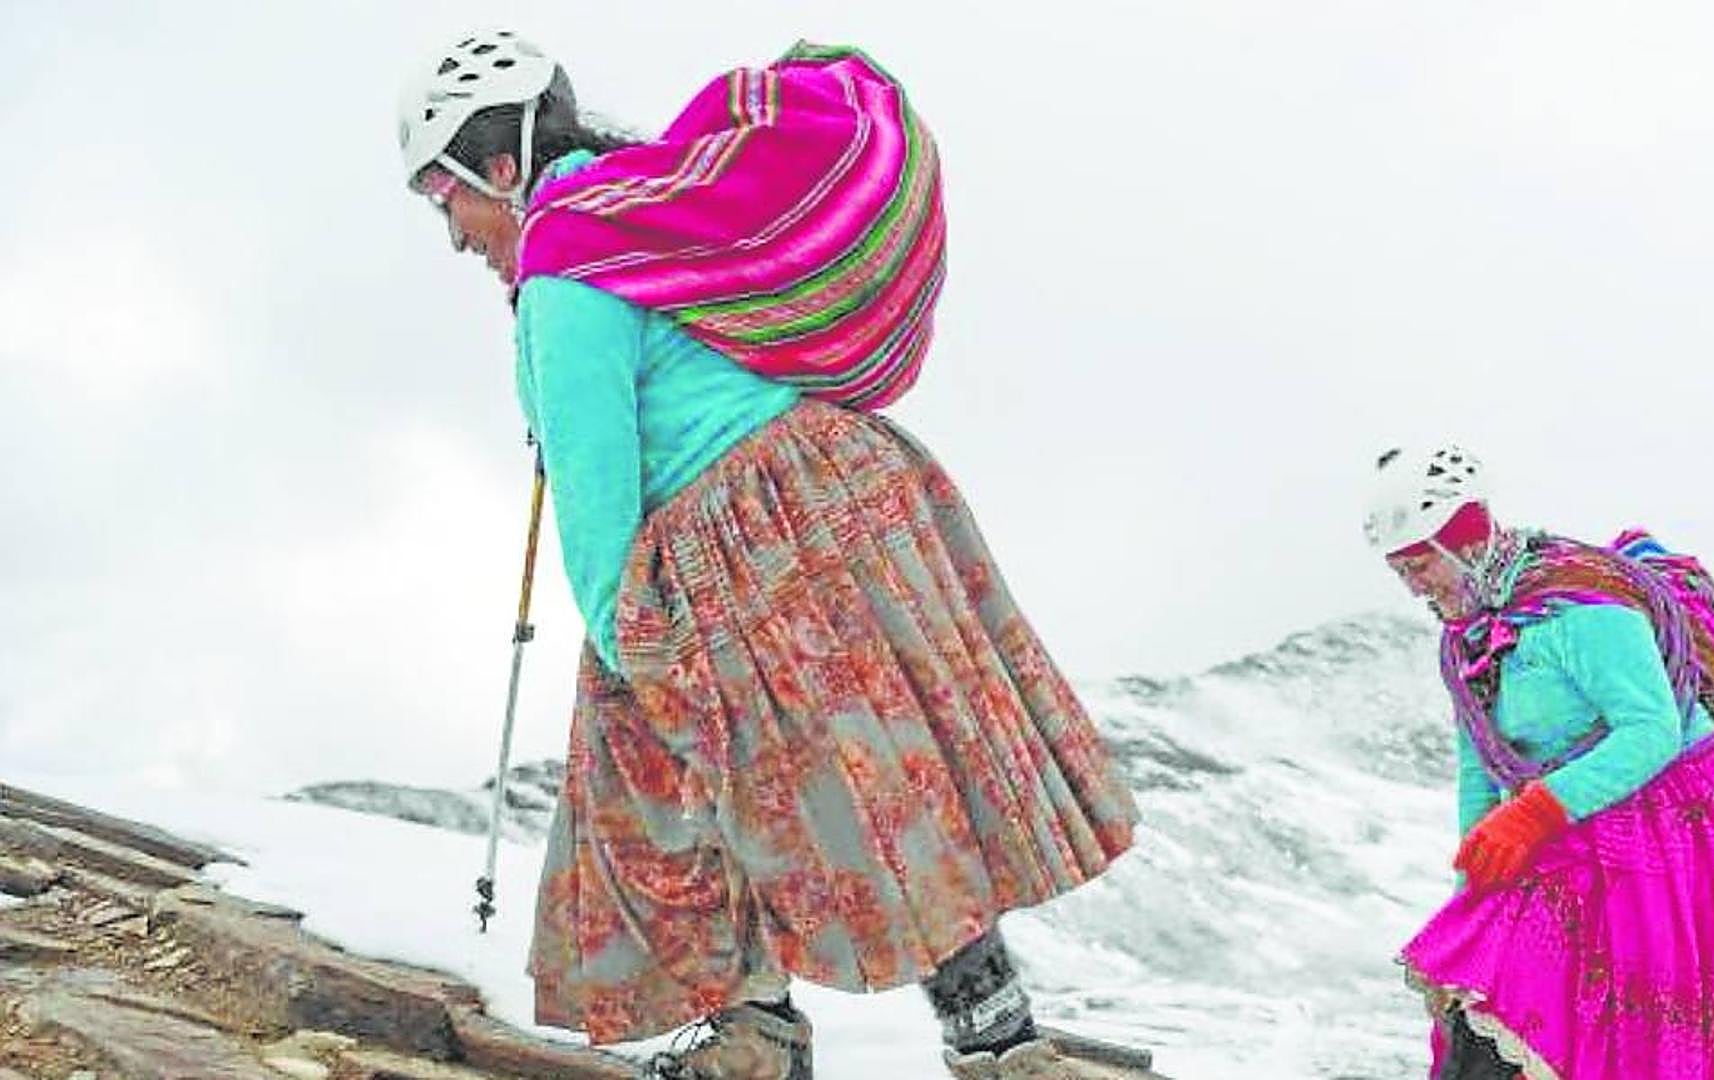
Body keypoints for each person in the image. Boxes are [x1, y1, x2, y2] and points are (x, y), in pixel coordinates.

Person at [395, 30, 1155, 1080]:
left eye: (447, 204)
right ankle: (1000, 1042)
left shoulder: (566, 267)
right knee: (889, 775)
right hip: (847, 495)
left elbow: (594, 477)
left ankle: (754, 1034)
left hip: (737, 543)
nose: (456, 238)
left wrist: (624, 637)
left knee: (661, 768)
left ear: (502, 169)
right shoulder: (650, 201)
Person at [1364, 445, 1714, 1080]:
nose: (1413, 586)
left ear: (1460, 538)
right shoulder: (1465, 643)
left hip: (1699, 819)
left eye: (1419, 564)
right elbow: (1480, 773)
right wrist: (1471, 897)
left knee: (1665, 1029)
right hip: (1595, 818)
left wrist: (1534, 815)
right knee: (1489, 1005)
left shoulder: (1581, 607)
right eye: (1398, 571)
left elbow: (1650, 729)